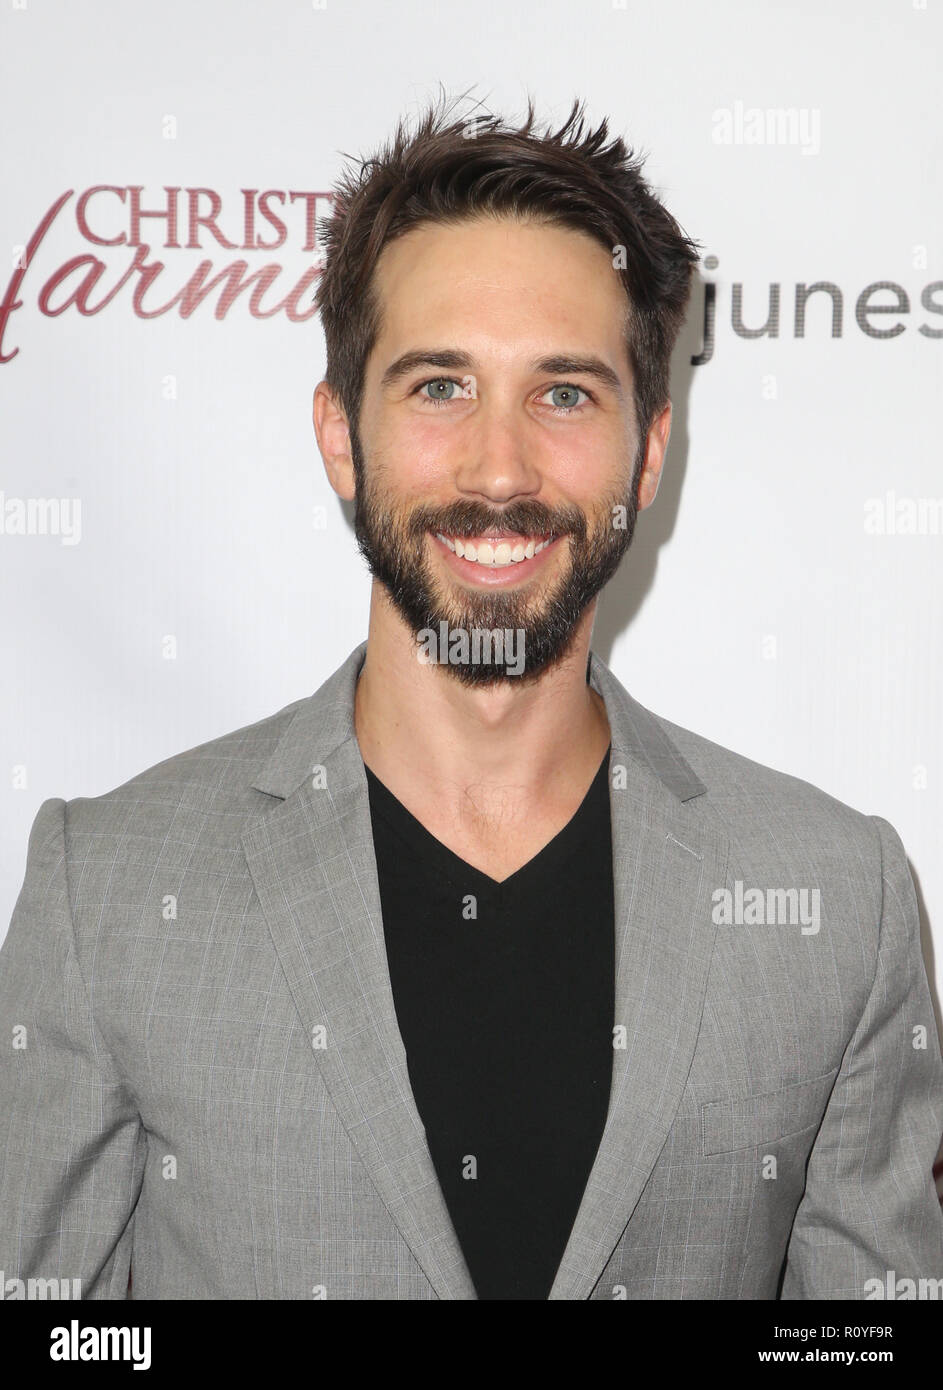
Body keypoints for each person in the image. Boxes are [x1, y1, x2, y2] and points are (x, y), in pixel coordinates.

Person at [1, 95, 941, 1301]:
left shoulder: (833, 899)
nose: (499, 470)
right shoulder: (112, 885)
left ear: (648, 452)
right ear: (341, 435)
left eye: (563, 394)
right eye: (439, 387)